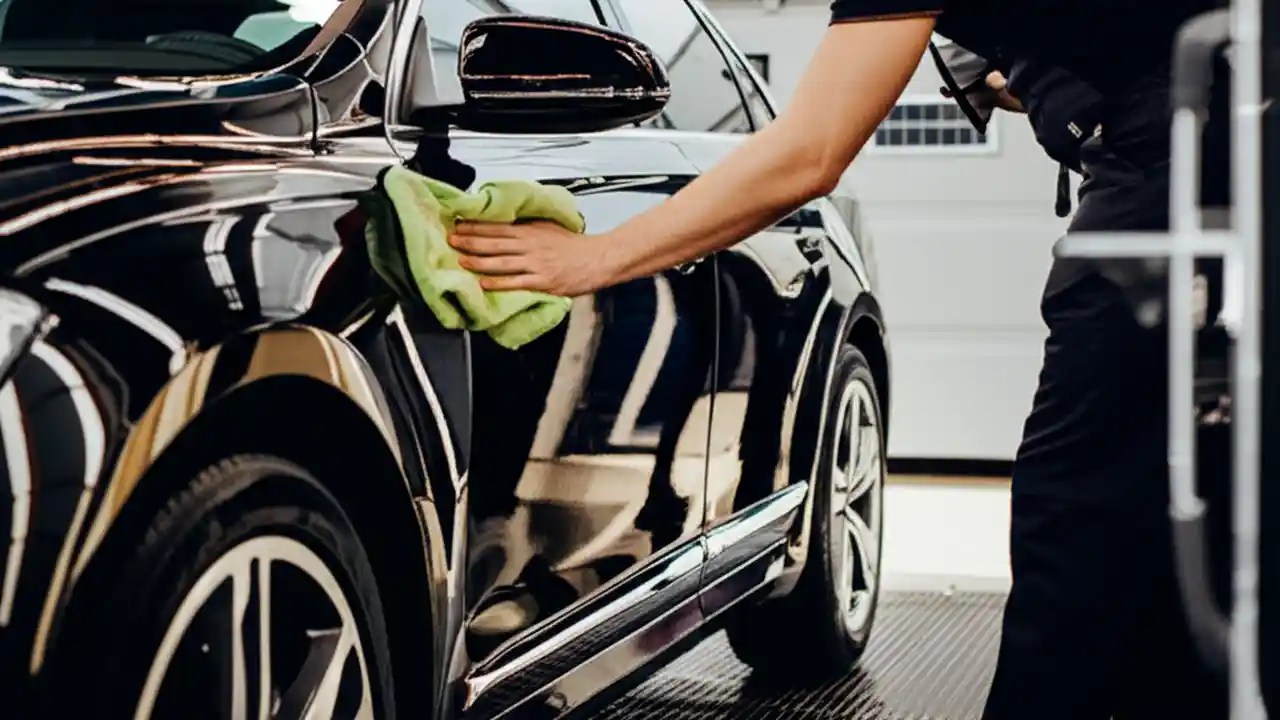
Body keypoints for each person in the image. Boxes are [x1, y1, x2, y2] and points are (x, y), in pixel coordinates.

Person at [449, 1, 1230, 717]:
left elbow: (809, 152)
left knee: (1083, 542)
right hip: (1210, 157)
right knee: (1182, 535)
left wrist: (596, 258)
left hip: (1192, 182)